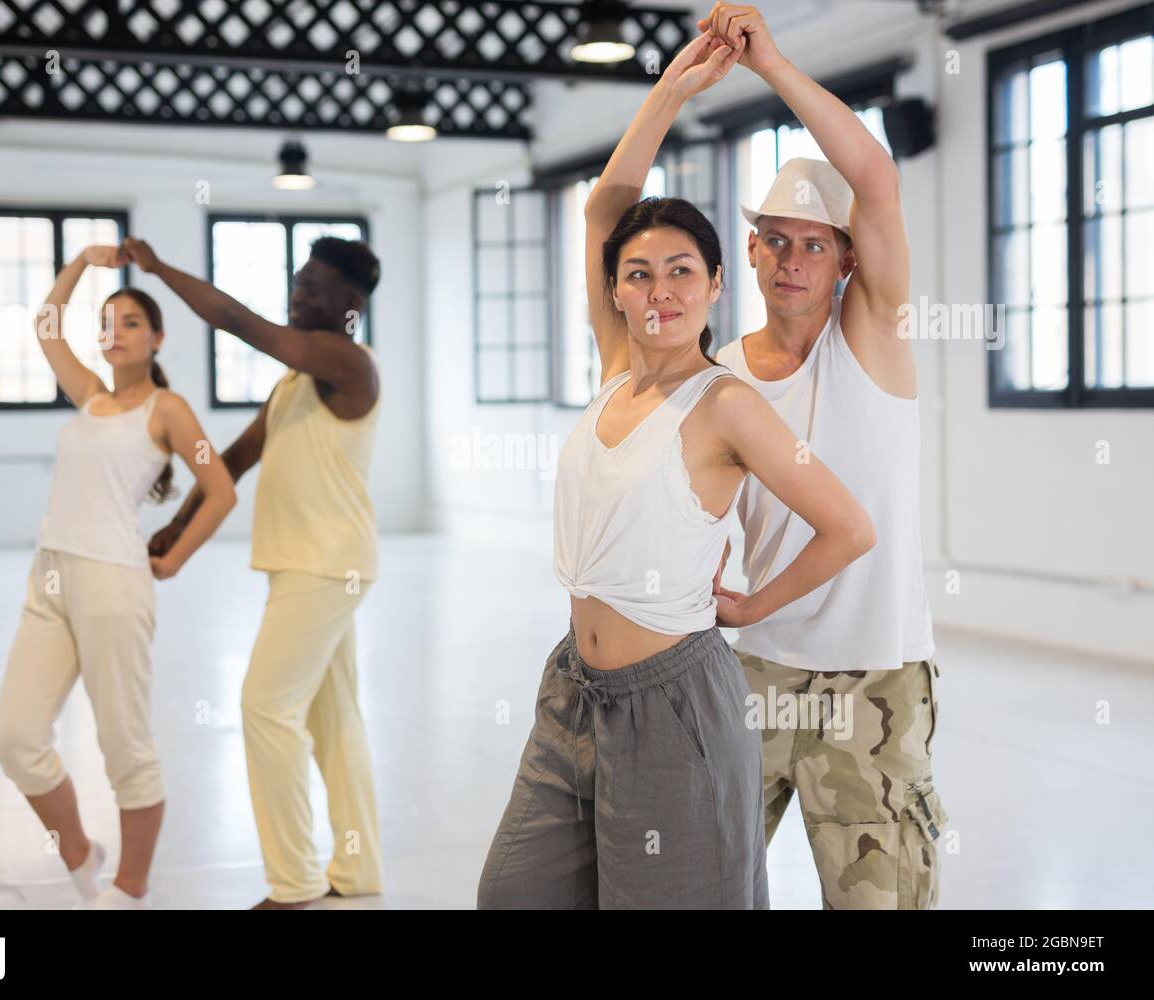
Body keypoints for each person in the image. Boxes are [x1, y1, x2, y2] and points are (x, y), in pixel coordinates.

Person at [477, 25, 876, 909]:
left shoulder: (726, 404)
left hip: (676, 709)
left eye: (681, 272)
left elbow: (850, 526)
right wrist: (670, 90)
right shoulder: (616, 368)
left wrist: (754, 606)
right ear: (616, 290)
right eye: (639, 272)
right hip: (571, 694)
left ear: (715, 285)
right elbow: (602, 206)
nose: (660, 290)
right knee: (515, 894)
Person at [699, 3, 947, 909]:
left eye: (814, 244)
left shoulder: (872, 336)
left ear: (846, 259)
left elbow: (874, 176)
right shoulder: (719, 373)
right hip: (753, 673)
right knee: (702, 887)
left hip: (874, 675)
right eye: (774, 241)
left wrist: (772, 66)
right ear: (753, 255)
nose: (791, 260)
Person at [127, 235, 385, 910]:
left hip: (323, 566)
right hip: (312, 564)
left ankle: (293, 885)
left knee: (265, 709)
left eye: (313, 289)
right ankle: (358, 873)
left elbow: (236, 322)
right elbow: (234, 459)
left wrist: (158, 267)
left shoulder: (346, 362)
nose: (298, 296)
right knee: (335, 721)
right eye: (296, 285)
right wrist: (177, 527)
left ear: (350, 304)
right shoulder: (296, 383)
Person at [0, 245, 237, 910]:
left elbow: (220, 489)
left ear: (157, 338)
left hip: (111, 580)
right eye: (108, 321)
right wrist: (78, 263)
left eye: (131, 321)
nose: (116, 331)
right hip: (49, 575)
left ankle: (130, 890)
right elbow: (47, 324)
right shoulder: (91, 397)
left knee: (123, 743)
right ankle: (79, 851)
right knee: (14, 737)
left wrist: (175, 559)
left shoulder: (167, 408)